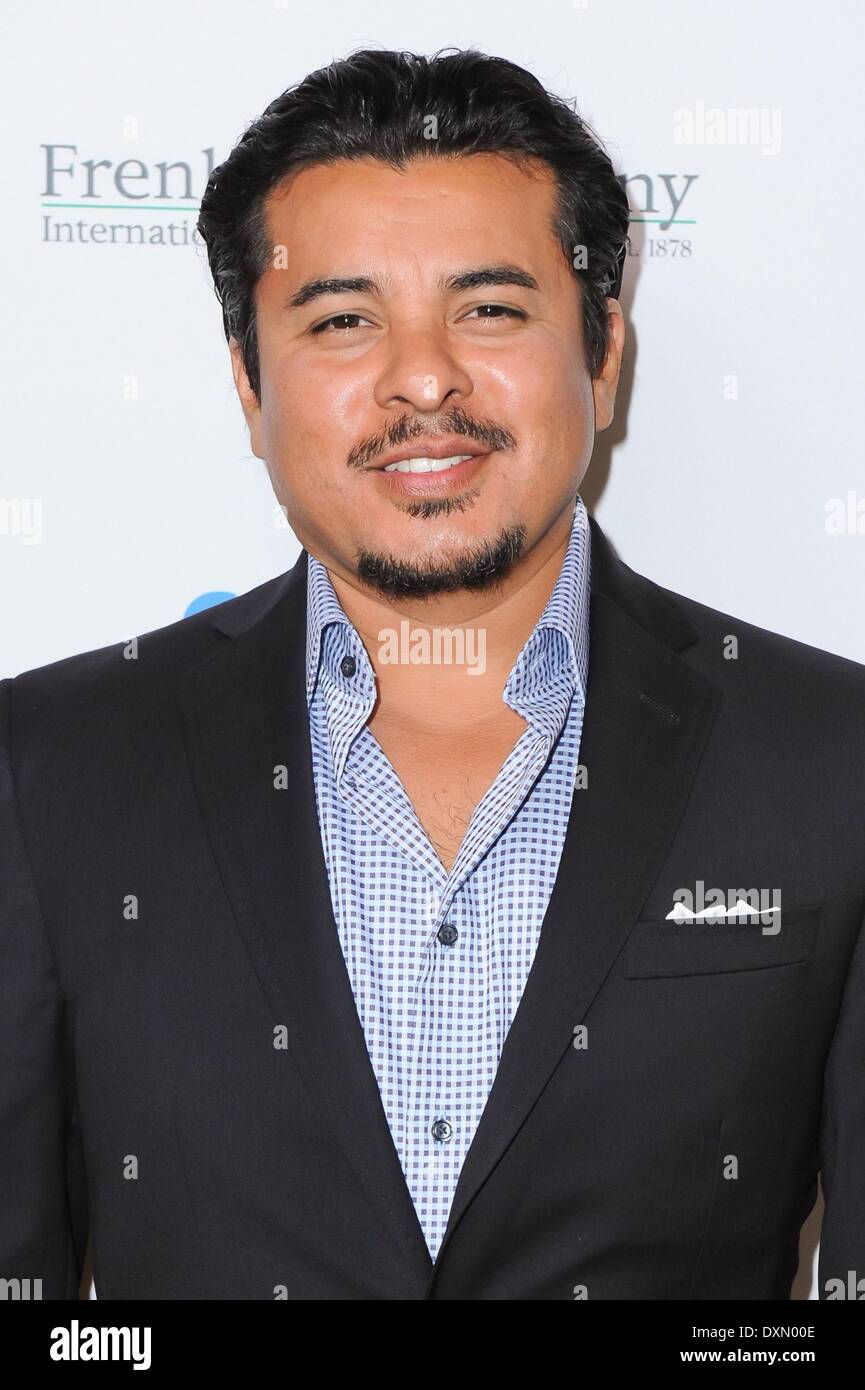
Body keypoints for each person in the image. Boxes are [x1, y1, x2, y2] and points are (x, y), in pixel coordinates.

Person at [2, 47, 863, 1301]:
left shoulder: (829, 759)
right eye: (343, 319)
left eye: (491, 309)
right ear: (249, 380)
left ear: (604, 351)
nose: (423, 380)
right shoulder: (50, 767)